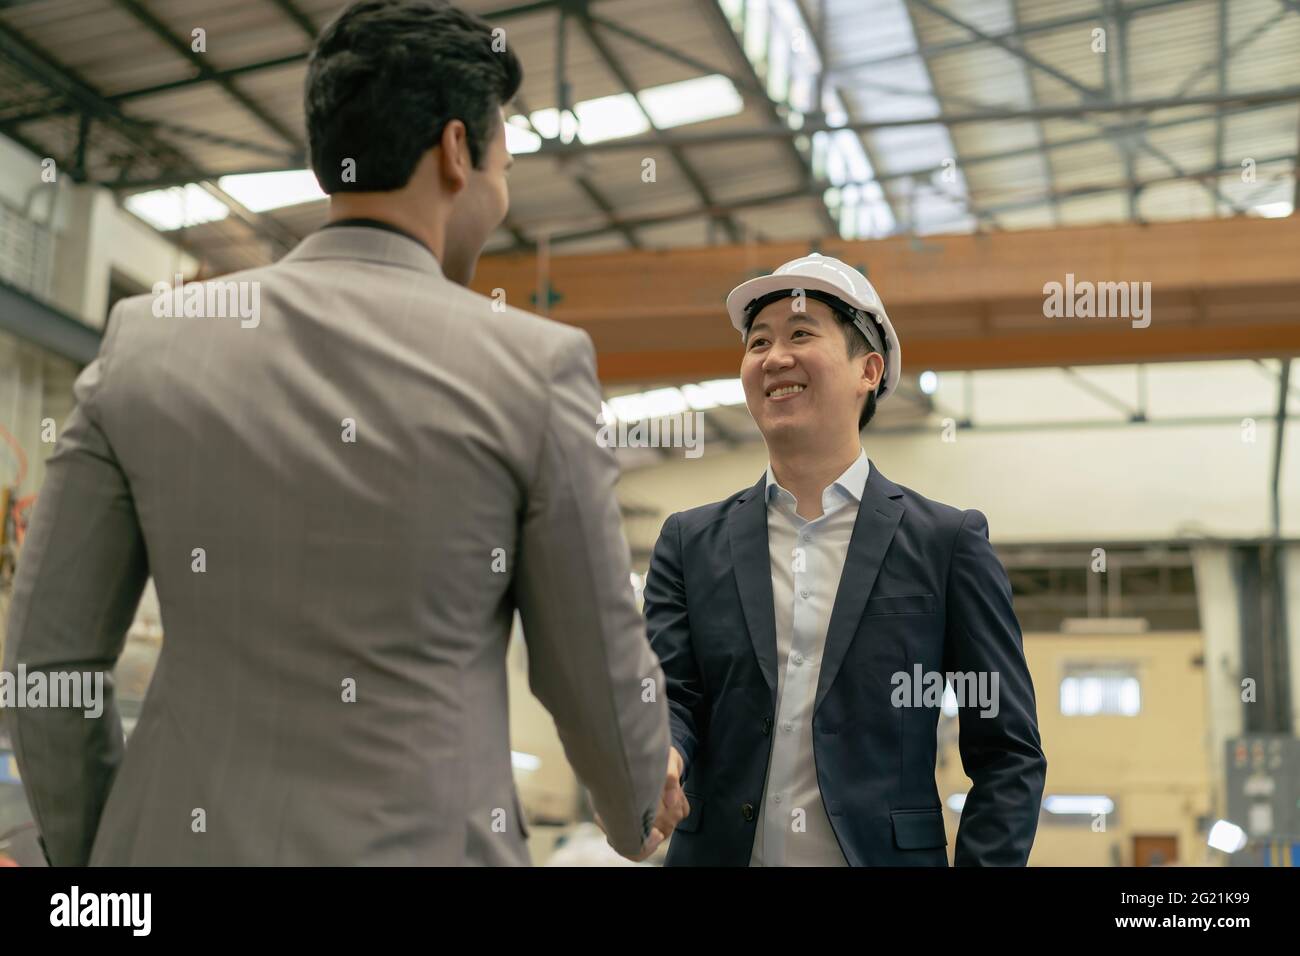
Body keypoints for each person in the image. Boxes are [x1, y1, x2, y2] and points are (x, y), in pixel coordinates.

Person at [3, 0, 676, 866]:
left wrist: (103, 849)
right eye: (504, 163)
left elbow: (45, 662)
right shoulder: (533, 368)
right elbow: (596, 671)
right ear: (457, 151)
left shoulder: (148, 341)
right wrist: (636, 809)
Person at [644, 253, 1047, 866]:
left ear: (869, 369)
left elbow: (1007, 751)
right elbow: (671, 694)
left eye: (801, 334)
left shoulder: (946, 543)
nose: (774, 357)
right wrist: (661, 760)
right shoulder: (687, 542)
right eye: (758, 342)